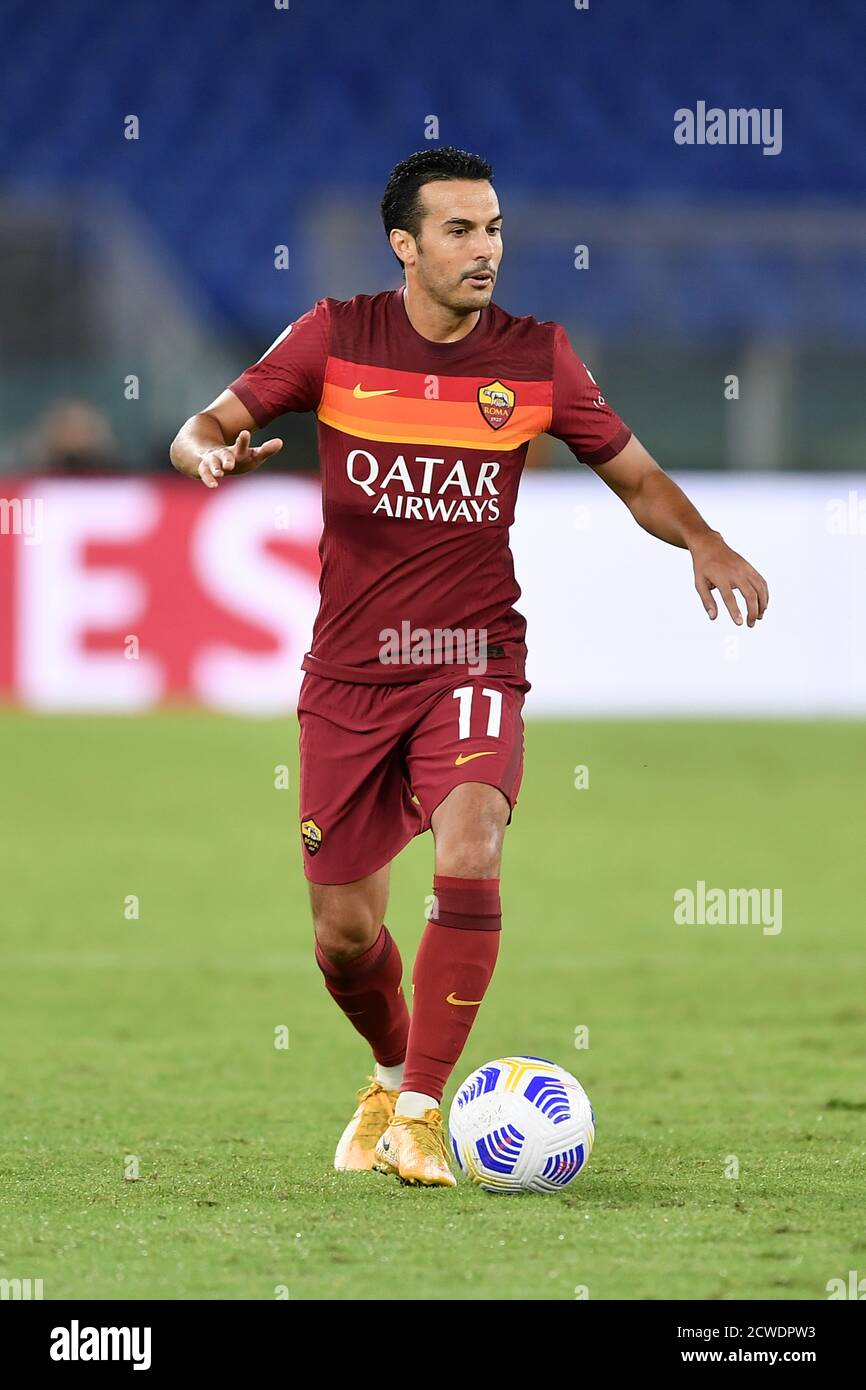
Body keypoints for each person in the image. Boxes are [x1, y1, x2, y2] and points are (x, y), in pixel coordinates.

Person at [170, 147, 768, 1188]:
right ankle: (388, 1072)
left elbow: (633, 473)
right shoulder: (332, 334)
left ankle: (418, 1112)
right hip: (350, 675)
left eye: (492, 228)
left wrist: (704, 541)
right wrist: (208, 454)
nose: (484, 248)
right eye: (458, 229)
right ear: (403, 244)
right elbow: (204, 424)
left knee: (472, 842)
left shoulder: (535, 357)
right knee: (343, 936)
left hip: (471, 656)